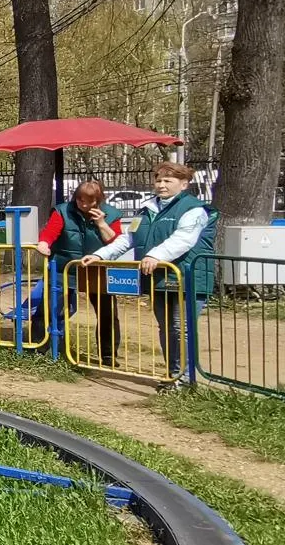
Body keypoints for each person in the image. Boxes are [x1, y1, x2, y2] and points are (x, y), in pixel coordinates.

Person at [81, 161, 216, 382]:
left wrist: (155, 256)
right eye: (158, 180)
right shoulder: (147, 209)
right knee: (165, 327)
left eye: (168, 181)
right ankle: (173, 373)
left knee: (180, 328)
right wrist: (101, 255)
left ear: (184, 185)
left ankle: (185, 377)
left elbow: (183, 239)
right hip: (159, 278)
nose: (161, 185)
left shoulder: (194, 210)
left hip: (187, 276)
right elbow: (129, 238)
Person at [35, 180, 124, 360]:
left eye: (88, 201)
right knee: (48, 309)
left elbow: (116, 242)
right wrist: (44, 243)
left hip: (97, 268)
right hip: (63, 267)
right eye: (79, 200)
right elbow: (50, 231)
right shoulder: (62, 211)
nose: (83, 204)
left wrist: (101, 223)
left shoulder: (112, 214)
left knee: (107, 313)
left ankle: (108, 356)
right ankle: (38, 347)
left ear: (98, 200)